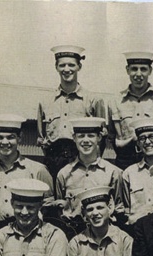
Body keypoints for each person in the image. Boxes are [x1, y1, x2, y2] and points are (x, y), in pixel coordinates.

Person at [0, 114, 54, 240]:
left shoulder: (38, 170)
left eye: (10, 137)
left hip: (29, 237)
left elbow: (49, 209)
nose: (5, 142)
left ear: (20, 137)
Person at [37, 45, 107, 178]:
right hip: (53, 162)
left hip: (83, 162)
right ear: (56, 67)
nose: (67, 69)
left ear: (79, 67)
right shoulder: (45, 101)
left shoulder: (93, 100)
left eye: (71, 65)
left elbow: (101, 139)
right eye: (62, 65)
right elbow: (42, 138)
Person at [49, 117, 126, 238]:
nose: (85, 140)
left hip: (105, 235)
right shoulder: (63, 174)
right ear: (74, 138)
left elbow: (119, 208)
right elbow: (61, 208)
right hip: (73, 235)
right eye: (81, 136)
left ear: (99, 138)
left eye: (91, 135)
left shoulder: (113, 172)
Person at [109, 51, 153, 170]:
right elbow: (111, 136)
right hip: (125, 163)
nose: (138, 74)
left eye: (143, 69)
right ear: (127, 70)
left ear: (150, 71)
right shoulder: (115, 101)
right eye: (134, 69)